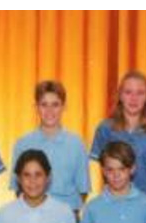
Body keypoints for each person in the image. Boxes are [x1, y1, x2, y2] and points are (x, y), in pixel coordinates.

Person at [10, 80, 90, 215]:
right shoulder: (23, 143)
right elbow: (18, 188)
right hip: (32, 215)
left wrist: (67, 214)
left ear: (64, 107)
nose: (49, 111)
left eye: (55, 105)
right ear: (36, 107)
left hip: (66, 215)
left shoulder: (76, 144)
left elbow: (83, 190)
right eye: (44, 105)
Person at [90, 70, 146, 200]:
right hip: (114, 201)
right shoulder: (105, 128)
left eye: (140, 93)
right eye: (128, 92)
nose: (134, 99)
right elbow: (100, 170)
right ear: (120, 96)